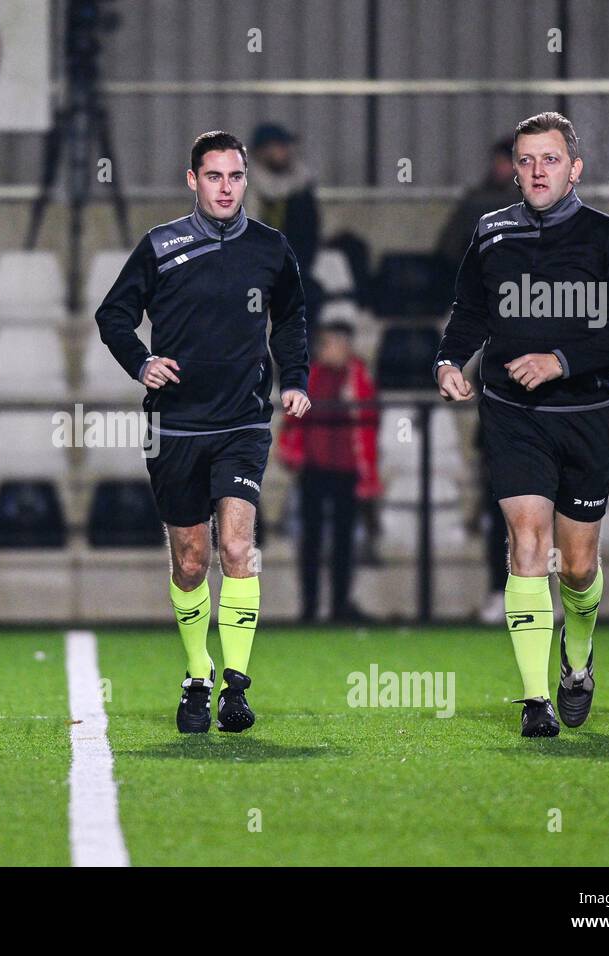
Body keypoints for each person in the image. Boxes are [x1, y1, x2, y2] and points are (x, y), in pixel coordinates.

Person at [434, 112, 609, 737]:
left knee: (578, 567)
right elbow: (470, 312)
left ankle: (577, 659)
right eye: (526, 160)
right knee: (527, 544)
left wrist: (560, 360)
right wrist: (451, 360)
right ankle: (535, 700)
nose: (536, 171)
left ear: (575, 168)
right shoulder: (490, 232)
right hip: (513, 415)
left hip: (587, 415)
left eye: (550, 160)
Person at [96, 130, 311, 735]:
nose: (225, 187)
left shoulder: (271, 249)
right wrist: (140, 362)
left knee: (237, 548)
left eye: (236, 177)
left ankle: (237, 685)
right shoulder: (161, 246)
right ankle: (197, 674)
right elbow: (112, 314)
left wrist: (294, 377)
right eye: (213, 176)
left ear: (247, 181)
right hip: (175, 425)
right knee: (191, 561)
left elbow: (292, 317)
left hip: (243, 421)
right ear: (193, 180)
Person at [278, 321, 378, 622]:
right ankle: (309, 608)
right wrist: (291, 452)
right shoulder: (311, 378)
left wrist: (368, 474)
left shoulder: (358, 378)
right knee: (311, 541)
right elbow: (292, 419)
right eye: (330, 343)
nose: (334, 349)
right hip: (314, 469)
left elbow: (370, 423)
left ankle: (339, 606)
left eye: (339, 343)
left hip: (346, 471)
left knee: (344, 542)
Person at [246, 123, 323, 328]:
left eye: (285, 146)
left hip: (289, 266)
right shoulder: (240, 185)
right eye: (277, 146)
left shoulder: (301, 186)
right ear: (261, 151)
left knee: (309, 293)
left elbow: (309, 237)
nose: (284, 151)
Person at [434, 138, 518, 265]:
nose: (498, 167)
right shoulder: (477, 199)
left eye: (504, 162)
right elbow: (451, 242)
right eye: (497, 162)